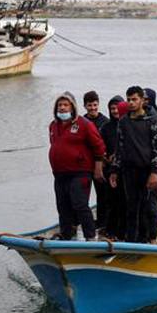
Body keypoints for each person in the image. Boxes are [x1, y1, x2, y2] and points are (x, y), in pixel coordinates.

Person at [109, 86, 157, 243]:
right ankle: (132, 239)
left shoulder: (153, 121)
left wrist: (154, 172)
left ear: (142, 100)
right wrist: (115, 170)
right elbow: (119, 148)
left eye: (134, 99)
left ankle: (153, 238)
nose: (131, 103)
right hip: (129, 171)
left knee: (151, 207)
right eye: (129, 100)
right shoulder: (124, 121)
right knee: (131, 207)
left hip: (148, 170)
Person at [49, 92, 106, 240]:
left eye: (65, 105)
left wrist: (98, 167)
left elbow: (99, 146)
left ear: (72, 107)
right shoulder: (53, 125)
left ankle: (90, 236)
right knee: (62, 206)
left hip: (80, 172)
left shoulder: (84, 124)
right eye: (60, 105)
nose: (62, 108)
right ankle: (66, 235)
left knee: (80, 205)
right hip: (60, 174)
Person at [82, 91, 110, 231]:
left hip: (101, 165)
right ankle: (82, 221)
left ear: (98, 104)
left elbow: (107, 144)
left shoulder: (105, 122)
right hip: (85, 165)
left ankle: (102, 222)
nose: (92, 108)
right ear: (84, 106)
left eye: (94, 105)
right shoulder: (81, 121)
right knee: (82, 196)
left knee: (102, 195)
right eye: (89, 106)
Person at [100, 96, 126, 239]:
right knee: (111, 202)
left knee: (125, 202)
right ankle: (110, 231)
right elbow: (100, 148)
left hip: (126, 170)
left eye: (117, 108)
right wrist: (105, 157)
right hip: (110, 170)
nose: (115, 111)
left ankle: (123, 232)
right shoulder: (106, 127)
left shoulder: (128, 124)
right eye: (112, 109)